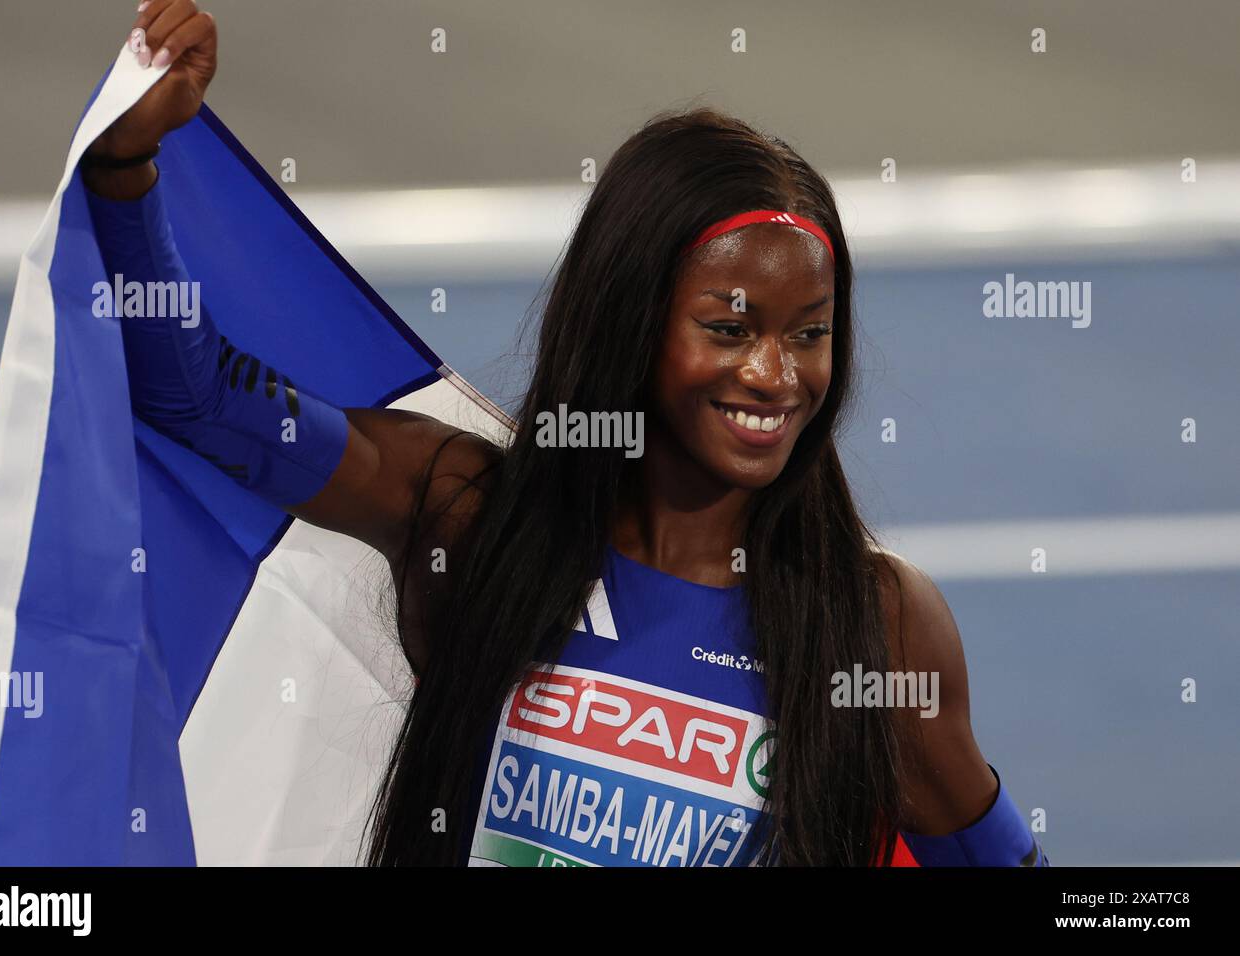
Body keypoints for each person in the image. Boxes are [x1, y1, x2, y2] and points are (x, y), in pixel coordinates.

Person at [80, 0, 1048, 867]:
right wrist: (128, 168)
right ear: (633, 319)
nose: (773, 374)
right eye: (729, 327)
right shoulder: (471, 519)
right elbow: (199, 399)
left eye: (809, 333)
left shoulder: (872, 620)